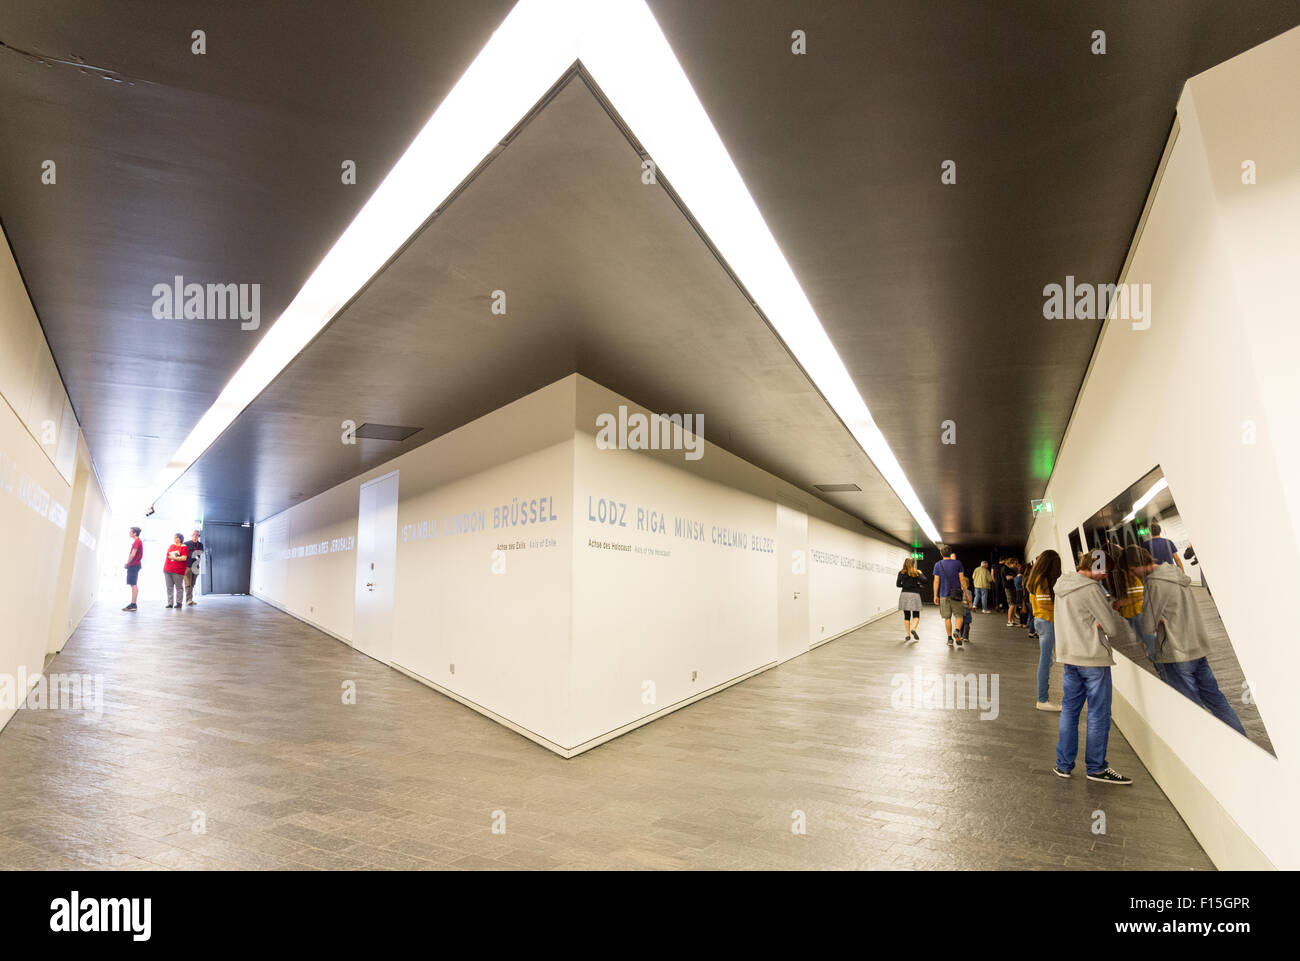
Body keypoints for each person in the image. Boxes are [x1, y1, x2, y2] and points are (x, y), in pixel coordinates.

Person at [1130, 548, 1246, 736]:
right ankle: (1242, 740)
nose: (1133, 575)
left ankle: (1207, 748)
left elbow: (1148, 624)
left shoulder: (1154, 584)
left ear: (1137, 566)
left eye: (1132, 570)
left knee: (1191, 709)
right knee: (1216, 700)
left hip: (1176, 651)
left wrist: (1156, 618)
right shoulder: (1176, 574)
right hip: (1196, 646)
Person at [1052, 549, 1135, 784]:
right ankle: (1096, 768)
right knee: (1098, 714)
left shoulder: (1062, 586)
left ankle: (1064, 765)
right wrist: (1106, 618)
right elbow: (1112, 628)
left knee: (1069, 711)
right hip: (1093, 660)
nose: (1105, 576)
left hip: (1070, 658)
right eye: (1105, 570)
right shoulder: (1091, 589)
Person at [1026, 550, 1062, 711]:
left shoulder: (1036, 578)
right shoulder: (1042, 580)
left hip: (1043, 621)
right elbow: (1043, 604)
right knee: (1045, 661)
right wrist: (1062, 607)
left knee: (1047, 660)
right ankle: (1042, 699)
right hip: (1046, 621)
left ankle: (1043, 698)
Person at [932, 547, 968, 648]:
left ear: (941, 553)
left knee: (947, 618)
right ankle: (957, 631)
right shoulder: (958, 563)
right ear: (951, 553)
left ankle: (949, 639)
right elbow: (962, 579)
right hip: (956, 594)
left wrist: (935, 595)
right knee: (959, 615)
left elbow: (936, 581)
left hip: (943, 595)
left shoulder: (938, 564)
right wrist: (966, 593)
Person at [896, 557, 926, 642]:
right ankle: (914, 629)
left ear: (904, 563)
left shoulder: (901, 573)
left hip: (904, 594)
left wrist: (906, 585)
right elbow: (925, 581)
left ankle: (908, 635)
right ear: (913, 564)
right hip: (914, 595)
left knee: (906, 615)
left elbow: (898, 584)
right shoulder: (916, 573)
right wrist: (921, 574)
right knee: (916, 614)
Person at [163, 534, 189, 609]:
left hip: (178, 570)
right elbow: (168, 555)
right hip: (167, 569)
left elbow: (184, 558)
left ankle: (179, 603)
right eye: (174, 537)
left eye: (176, 537)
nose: (175, 539)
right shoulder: (171, 546)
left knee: (178, 587)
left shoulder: (184, 547)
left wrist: (174, 558)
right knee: (169, 587)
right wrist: (176, 558)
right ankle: (170, 603)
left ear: (180, 539)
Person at [122, 526, 143, 611]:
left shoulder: (137, 542)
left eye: (131, 532)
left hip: (134, 565)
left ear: (135, 533)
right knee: (133, 584)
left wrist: (127, 563)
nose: (129, 533)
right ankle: (133, 604)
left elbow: (132, 554)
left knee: (133, 584)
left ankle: (133, 604)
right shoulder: (137, 541)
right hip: (135, 565)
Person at [183, 529, 204, 606]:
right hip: (187, 566)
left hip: (196, 566)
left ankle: (190, 599)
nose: (195, 536)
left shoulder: (200, 545)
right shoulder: (186, 544)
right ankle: (188, 600)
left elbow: (201, 555)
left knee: (192, 584)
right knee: (187, 584)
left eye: (197, 535)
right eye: (194, 534)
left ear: (198, 536)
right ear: (191, 535)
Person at [1001, 558, 1019, 626]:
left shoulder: (1008, 568)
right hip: (1008, 588)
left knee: (1013, 604)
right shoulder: (1004, 568)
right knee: (1011, 605)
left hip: (1011, 587)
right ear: (1011, 562)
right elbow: (1008, 578)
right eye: (1015, 563)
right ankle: (1009, 621)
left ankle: (1012, 620)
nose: (1015, 565)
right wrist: (1015, 576)